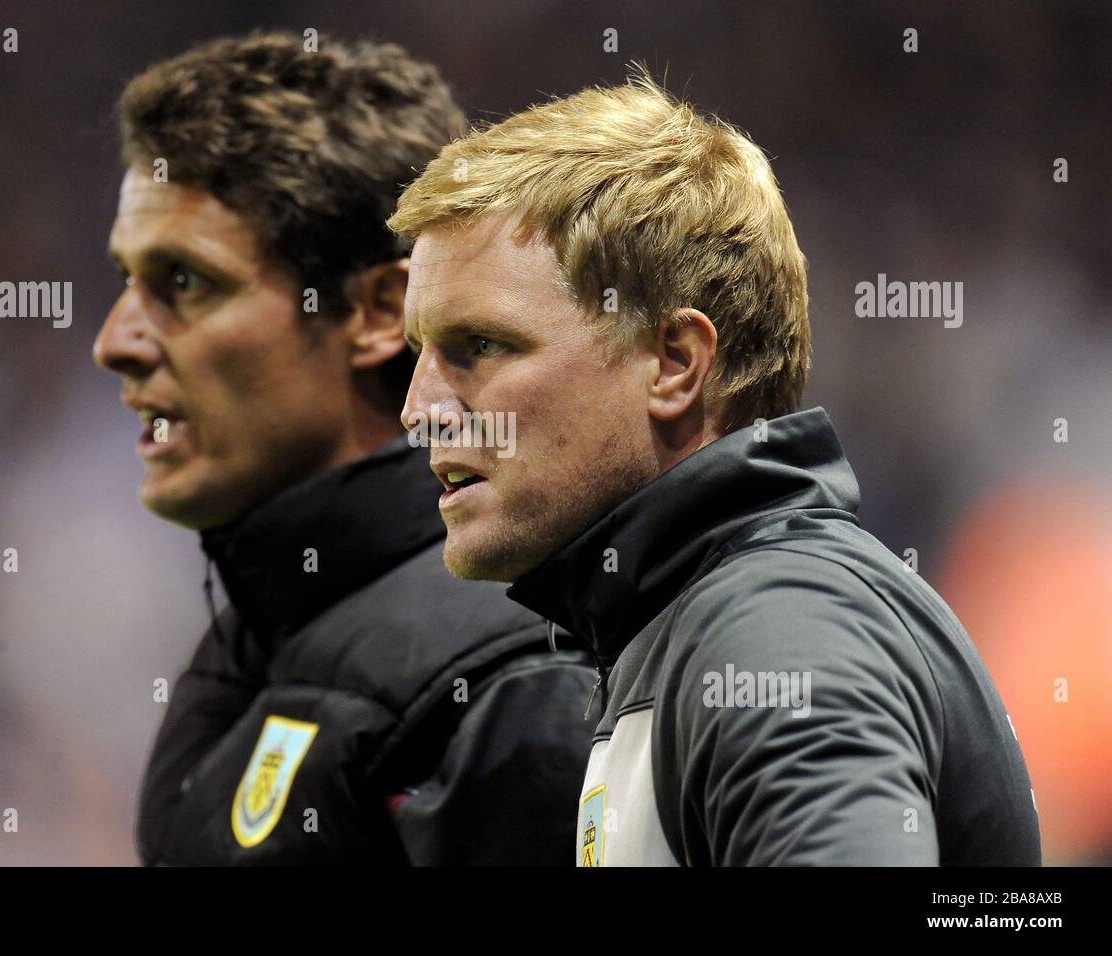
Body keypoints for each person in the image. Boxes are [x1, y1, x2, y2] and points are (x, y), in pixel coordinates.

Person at [388, 72, 1042, 865]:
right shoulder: (678, 626)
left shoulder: (776, 629)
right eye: (421, 354)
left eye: (480, 346)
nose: (420, 410)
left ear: (674, 363)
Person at [94, 31, 596, 865]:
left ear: (377, 312)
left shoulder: (508, 681)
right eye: (126, 280)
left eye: (183, 282)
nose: (117, 341)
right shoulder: (259, 637)